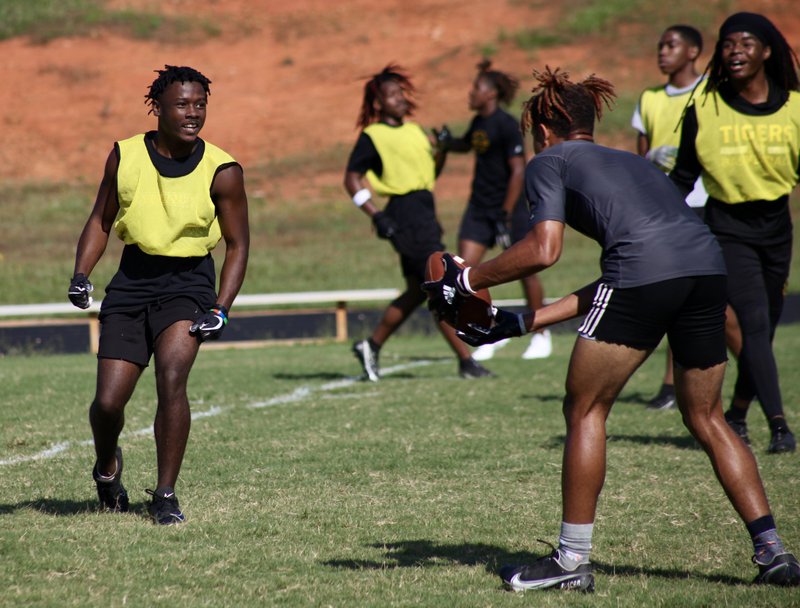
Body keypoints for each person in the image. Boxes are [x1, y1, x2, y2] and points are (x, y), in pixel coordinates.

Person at [424, 66, 799, 591]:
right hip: (707, 273)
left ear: (546, 129)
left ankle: (571, 562)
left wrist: (466, 279)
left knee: (585, 408)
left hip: (648, 274)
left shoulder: (550, 159)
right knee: (708, 417)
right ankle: (774, 552)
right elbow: (620, 278)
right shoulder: (631, 163)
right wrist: (520, 321)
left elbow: (544, 250)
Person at [68, 65, 250, 525]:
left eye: (200, 104)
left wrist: (221, 309)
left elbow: (239, 244)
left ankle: (165, 494)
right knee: (108, 404)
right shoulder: (125, 155)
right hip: (131, 284)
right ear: (158, 109)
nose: (193, 113)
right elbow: (100, 220)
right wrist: (81, 273)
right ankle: (108, 469)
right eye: (182, 105)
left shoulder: (223, 170)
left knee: (172, 376)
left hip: (189, 284)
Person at [671, 12, 798, 453]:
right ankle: (780, 425)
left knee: (766, 330)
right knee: (754, 323)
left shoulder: (795, 108)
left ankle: (738, 414)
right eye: (727, 43)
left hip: (777, 230)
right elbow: (682, 177)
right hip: (726, 227)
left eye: (746, 42)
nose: (735, 50)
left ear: (766, 51)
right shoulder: (704, 107)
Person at [344, 64, 492, 381]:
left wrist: (442, 151)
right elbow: (351, 178)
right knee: (440, 286)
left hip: (426, 211)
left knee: (417, 290)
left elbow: (429, 176)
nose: (399, 99)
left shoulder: (414, 130)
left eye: (400, 93)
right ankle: (466, 361)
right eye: (391, 95)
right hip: (403, 215)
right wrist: (376, 214)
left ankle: (371, 346)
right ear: (378, 102)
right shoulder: (373, 136)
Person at [436, 59, 551, 362]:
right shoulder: (479, 123)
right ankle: (487, 329)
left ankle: (541, 334)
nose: (470, 93)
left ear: (490, 94)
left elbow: (517, 171)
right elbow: (469, 144)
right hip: (478, 208)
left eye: (476, 88)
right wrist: (448, 143)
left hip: (508, 209)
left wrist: (505, 212)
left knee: (526, 267)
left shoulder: (505, 124)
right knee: (465, 273)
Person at [632, 25, 708, 410]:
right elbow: (640, 154)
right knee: (666, 294)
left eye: (671, 45)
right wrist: (650, 157)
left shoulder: (710, 92)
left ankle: (679, 385)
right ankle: (670, 385)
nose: (663, 52)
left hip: (701, 204)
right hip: (660, 206)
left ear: (693, 51)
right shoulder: (648, 97)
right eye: (660, 45)